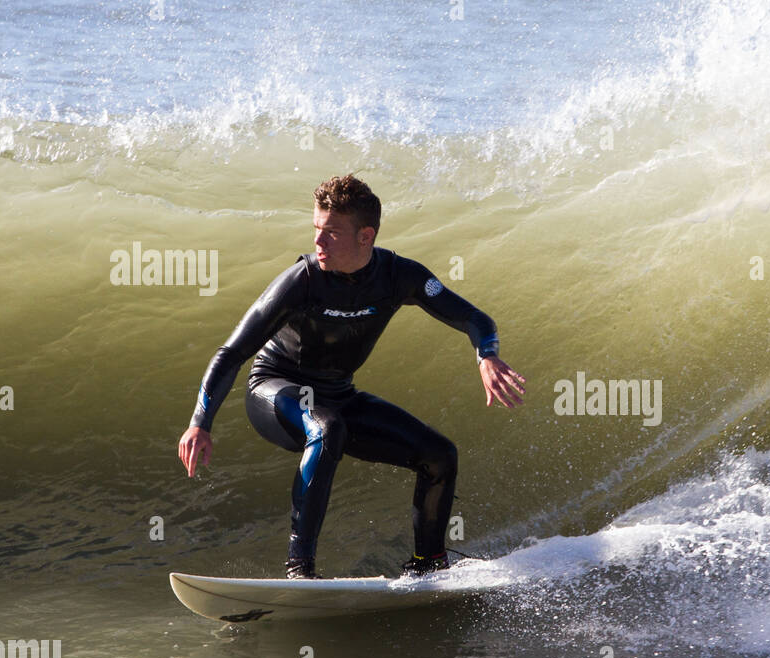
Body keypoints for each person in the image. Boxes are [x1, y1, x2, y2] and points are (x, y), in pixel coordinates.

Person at [176, 174, 525, 578]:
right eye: (316, 231)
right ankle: (299, 569)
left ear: (366, 236)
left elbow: (474, 317)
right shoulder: (302, 281)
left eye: (331, 234)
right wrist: (200, 423)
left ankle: (429, 565)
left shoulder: (399, 276)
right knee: (326, 428)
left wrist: (486, 355)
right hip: (276, 390)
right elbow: (232, 352)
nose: (318, 243)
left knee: (439, 455)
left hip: (337, 395)